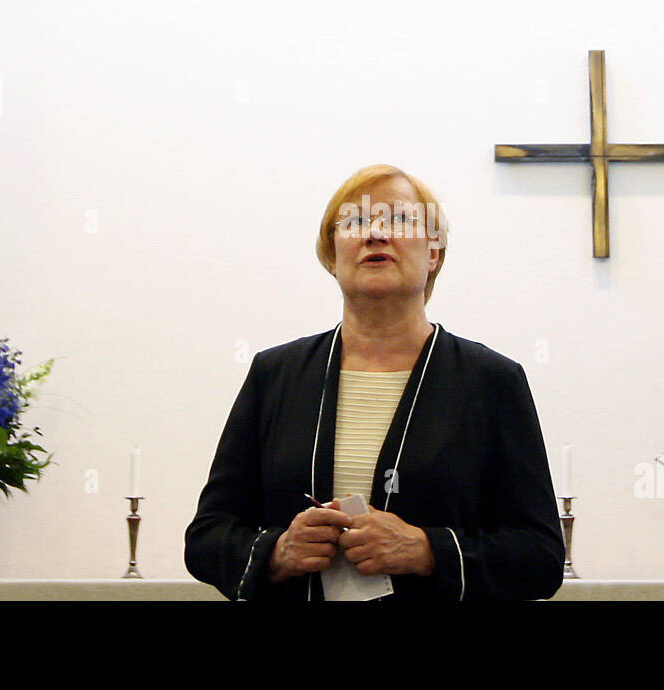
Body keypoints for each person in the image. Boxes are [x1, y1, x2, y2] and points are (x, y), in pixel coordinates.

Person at [184, 164, 564, 600]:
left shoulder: (492, 381)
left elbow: (541, 556)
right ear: (331, 256)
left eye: (399, 219)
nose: (376, 234)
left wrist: (427, 550)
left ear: (434, 252)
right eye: (356, 222)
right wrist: (278, 550)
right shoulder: (275, 375)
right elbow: (207, 538)